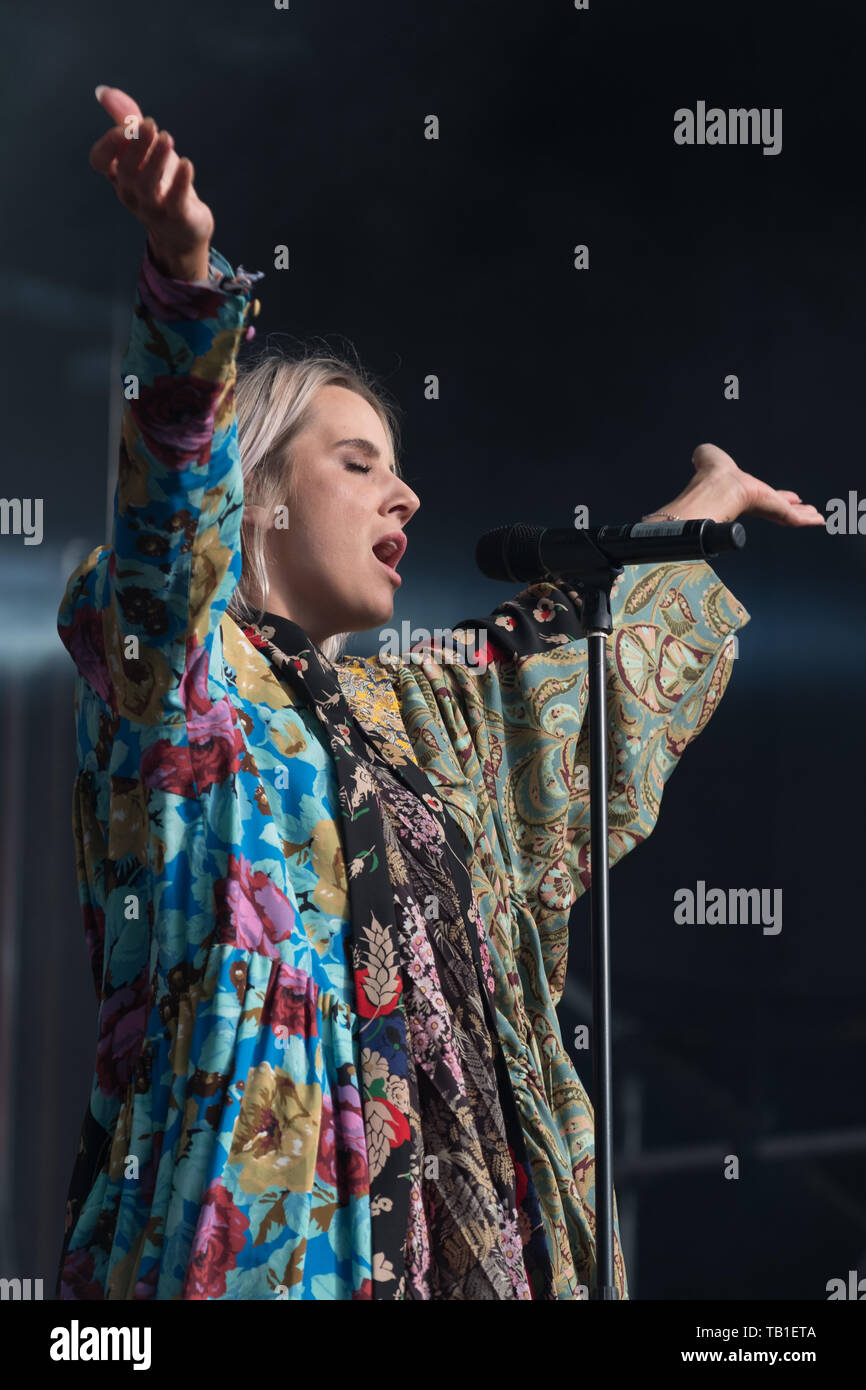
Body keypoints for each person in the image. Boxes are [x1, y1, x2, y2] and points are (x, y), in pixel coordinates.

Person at [54, 84, 825, 1302]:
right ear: (258, 492)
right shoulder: (180, 669)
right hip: (278, 1250)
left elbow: (547, 658)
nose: (404, 498)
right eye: (357, 465)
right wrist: (184, 277)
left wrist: (699, 506)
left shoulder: (412, 717)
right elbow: (165, 526)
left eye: (402, 473)